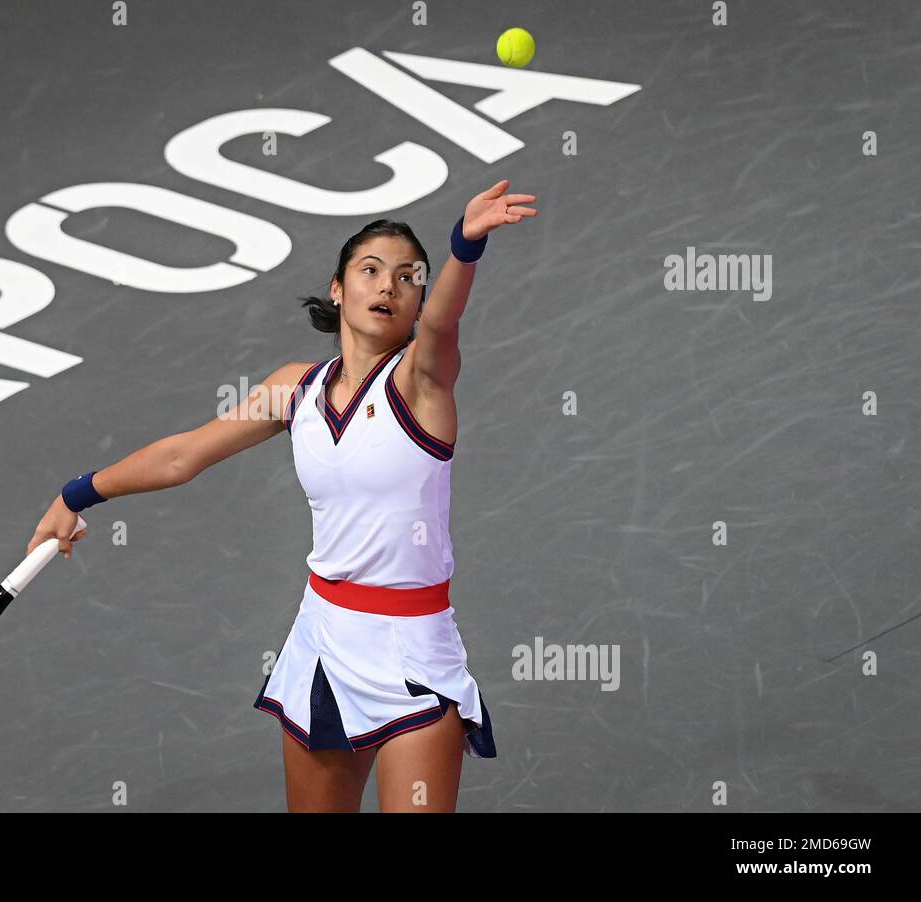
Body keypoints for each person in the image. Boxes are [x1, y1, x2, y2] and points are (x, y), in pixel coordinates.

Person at [27, 181, 538, 811]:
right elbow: (185, 455)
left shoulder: (421, 382)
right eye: (370, 270)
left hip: (415, 655)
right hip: (323, 643)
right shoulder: (295, 389)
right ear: (337, 287)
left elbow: (442, 324)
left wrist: (465, 246)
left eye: (408, 277)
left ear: (419, 299)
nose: (387, 286)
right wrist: (77, 494)